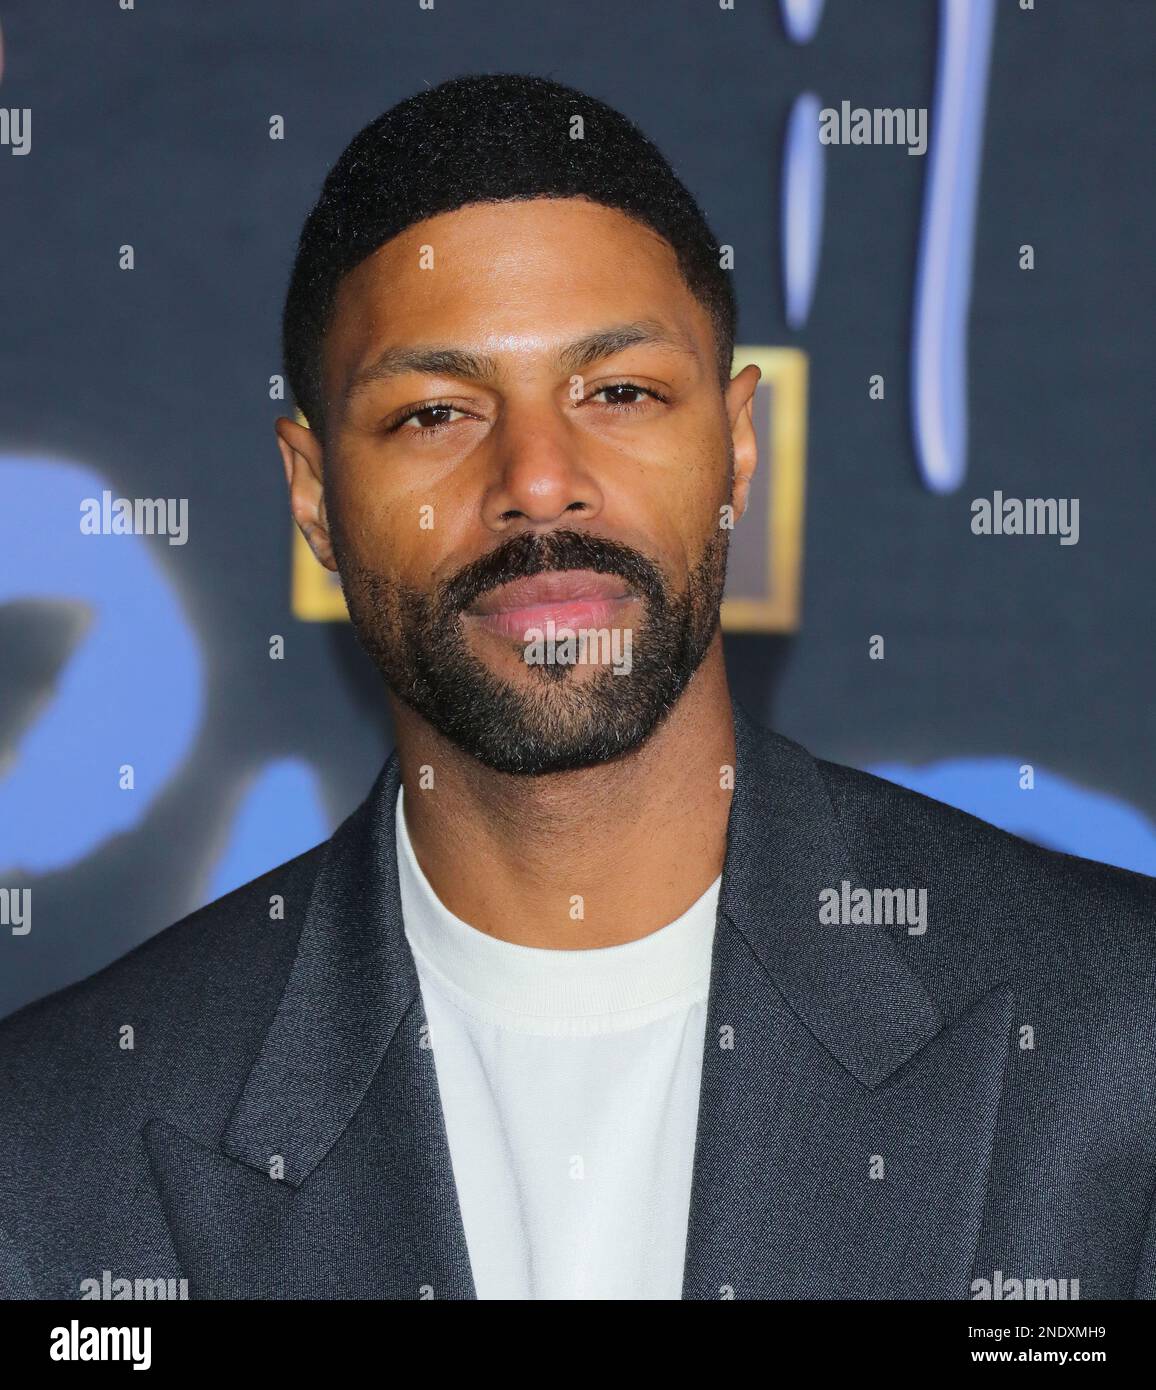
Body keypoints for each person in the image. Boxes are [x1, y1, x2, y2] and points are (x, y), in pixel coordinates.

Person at [2, 73, 1155, 1302]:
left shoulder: (1112, 1045)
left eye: (618, 393)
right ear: (309, 495)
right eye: (435, 411)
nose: (539, 480)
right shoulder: (54, 1150)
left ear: (739, 444)